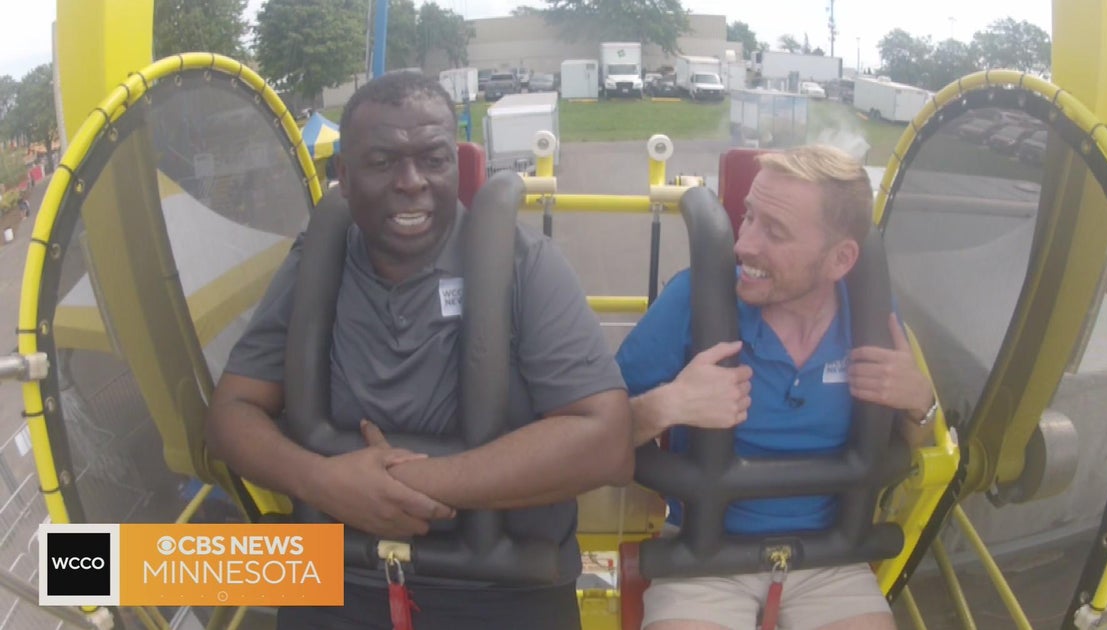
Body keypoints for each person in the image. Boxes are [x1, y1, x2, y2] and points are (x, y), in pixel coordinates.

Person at [205, 71, 633, 630]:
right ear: (345, 177)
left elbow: (607, 442)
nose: (412, 182)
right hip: (333, 579)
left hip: (501, 586)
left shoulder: (525, 263)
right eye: (383, 162)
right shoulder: (318, 262)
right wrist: (323, 482)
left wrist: (405, 487)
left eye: (432, 159)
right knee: (69, 566)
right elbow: (231, 413)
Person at [616, 145, 937, 630]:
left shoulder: (873, 313)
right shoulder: (694, 298)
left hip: (829, 556)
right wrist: (670, 403)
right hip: (703, 557)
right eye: (747, 217)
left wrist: (920, 403)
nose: (744, 245)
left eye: (775, 231)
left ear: (840, 259)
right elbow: (590, 432)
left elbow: (924, 442)